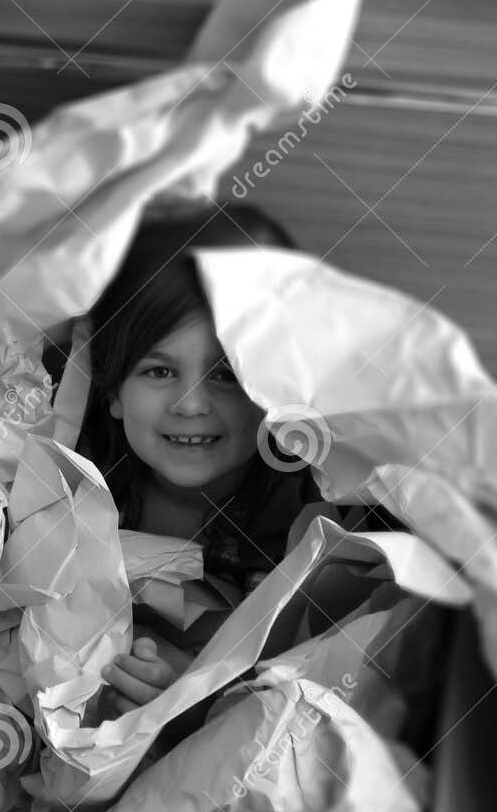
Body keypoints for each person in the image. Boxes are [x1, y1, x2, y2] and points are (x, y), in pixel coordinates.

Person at [71, 204, 325, 718]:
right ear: (114, 392)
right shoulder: (84, 473)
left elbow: (283, 668)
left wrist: (189, 700)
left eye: (227, 375)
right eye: (159, 372)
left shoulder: (297, 513)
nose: (190, 404)